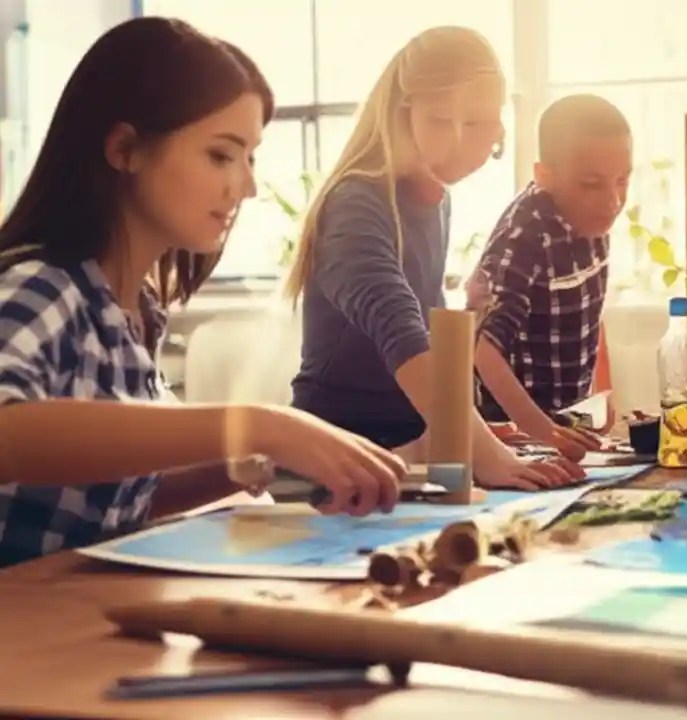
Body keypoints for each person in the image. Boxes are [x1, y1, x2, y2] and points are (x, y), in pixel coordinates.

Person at [0, 18, 407, 568]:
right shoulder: (42, 287)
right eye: (221, 155)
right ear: (124, 148)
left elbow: (118, 502)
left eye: (250, 158)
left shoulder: (134, 316)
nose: (246, 185)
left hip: (69, 619)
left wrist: (255, 459)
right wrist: (259, 424)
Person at [284, 27, 580, 491]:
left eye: (488, 121)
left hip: (406, 444)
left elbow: (429, 340)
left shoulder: (433, 200)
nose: (489, 139)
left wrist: (465, 433)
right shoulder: (355, 204)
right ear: (410, 115)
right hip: (335, 460)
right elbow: (403, 335)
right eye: (458, 121)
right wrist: (481, 450)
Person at [470, 94, 631, 461]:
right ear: (545, 176)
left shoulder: (593, 218)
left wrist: (604, 396)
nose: (612, 200)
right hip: (508, 434)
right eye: (592, 183)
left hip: (566, 421)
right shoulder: (525, 234)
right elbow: (483, 350)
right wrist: (542, 433)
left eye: (622, 181)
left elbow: (592, 310)